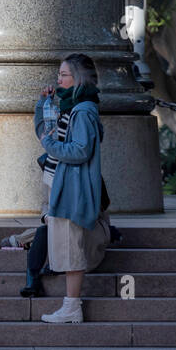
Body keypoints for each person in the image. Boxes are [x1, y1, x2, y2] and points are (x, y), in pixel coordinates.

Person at [36, 53, 107, 325]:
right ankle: (69, 306)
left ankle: (71, 307)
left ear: (77, 78)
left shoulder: (84, 111)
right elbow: (45, 133)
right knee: (64, 249)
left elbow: (80, 150)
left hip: (72, 189)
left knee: (71, 250)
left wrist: (49, 145)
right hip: (61, 186)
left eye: (63, 74)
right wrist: (43, 104)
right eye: (59, 74)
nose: (58, 79)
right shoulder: (69, 106)